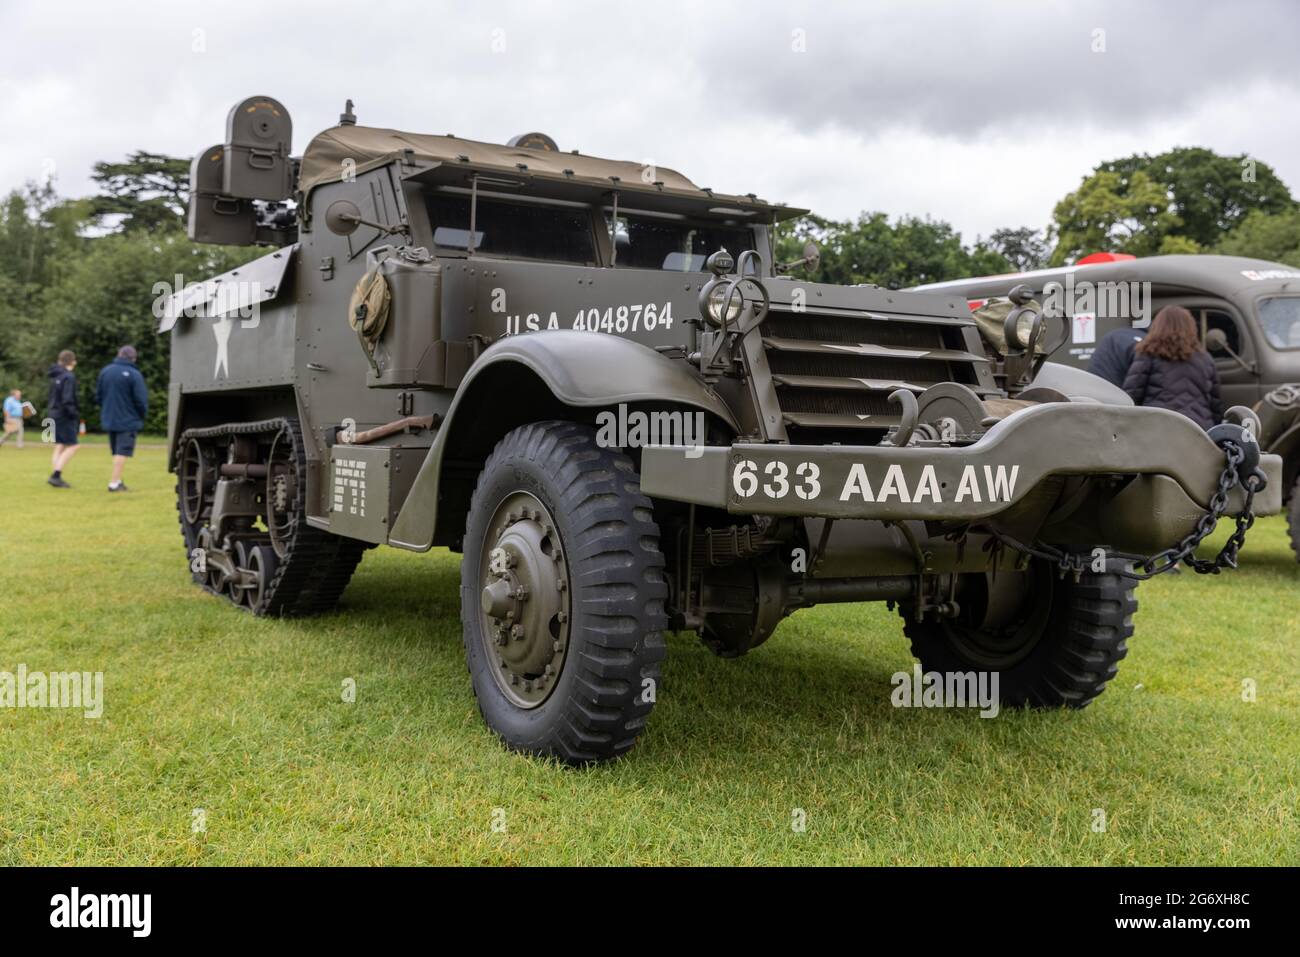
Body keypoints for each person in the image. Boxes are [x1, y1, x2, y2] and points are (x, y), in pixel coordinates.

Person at [1122, 306, 1223, 430]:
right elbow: (1215, 405)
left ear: (1158, 327)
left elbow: (1131, 394)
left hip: (1158, 427)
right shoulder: (1206, 358)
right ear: (1191, 327)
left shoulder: (1148, 353)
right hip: (1199, 429)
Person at [95, 344, 149, 492]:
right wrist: (142, 414)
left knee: (116, 452)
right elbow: (140, 399)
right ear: (133, 358)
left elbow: (98, 396)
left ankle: (118, 479)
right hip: (128, 420)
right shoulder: (134, 374)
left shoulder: (105, 372)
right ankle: (113, 483)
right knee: (122, 452)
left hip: (109, 418)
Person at [46, 350, 80, 487]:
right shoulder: (68, 377)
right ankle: (56, 475)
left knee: (60, 445)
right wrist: (73, 413)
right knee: (74, 445)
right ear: (72, 361)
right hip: (64, 415)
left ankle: (55, 475)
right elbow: (67, 399)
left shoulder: (55, 376)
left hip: (53, 413)